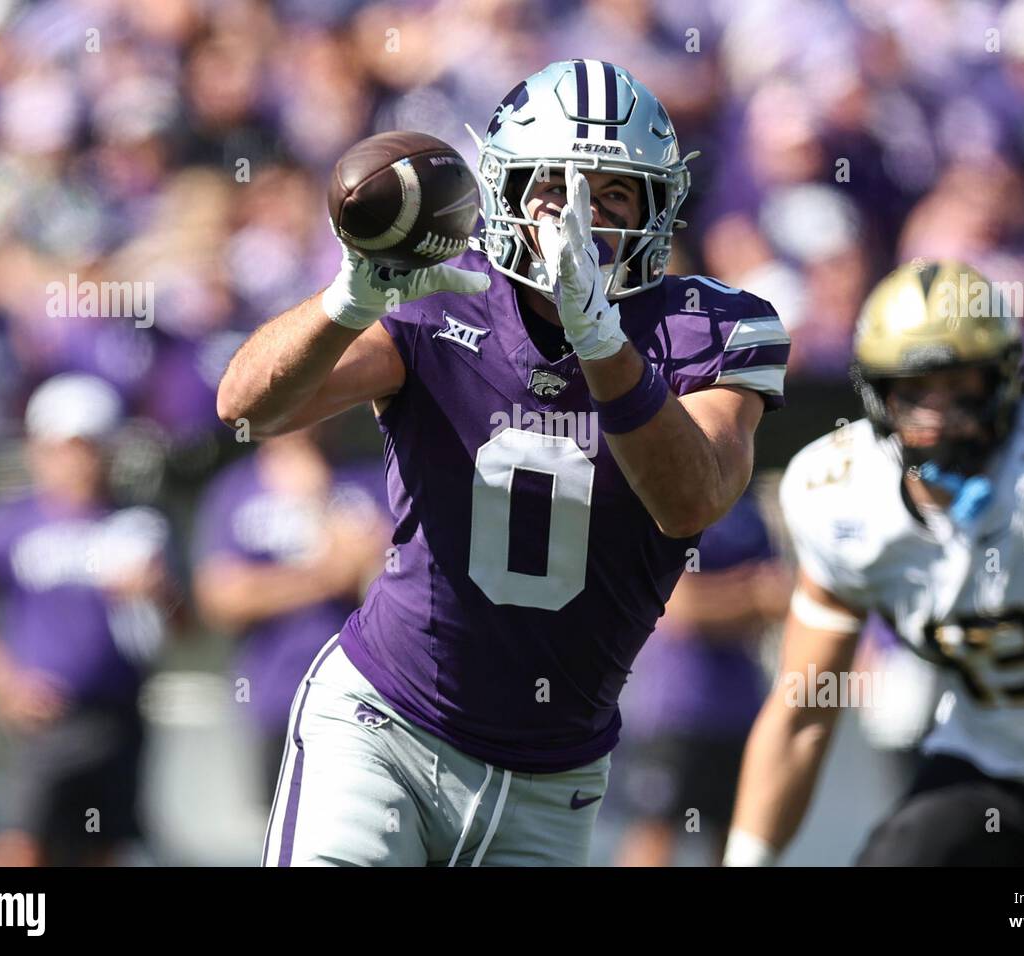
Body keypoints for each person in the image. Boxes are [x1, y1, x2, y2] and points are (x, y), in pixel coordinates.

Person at [217, 59, 790, 866]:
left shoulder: (710, 328)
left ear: (658, 211)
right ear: (508, 193)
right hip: (385, 717)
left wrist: (603, 342)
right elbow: (249, 407)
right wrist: (345, 302)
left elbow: (690, 498)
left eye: (613, 193)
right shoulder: (441, 292)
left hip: (553, 775)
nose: (579, 214)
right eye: (555, 186)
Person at [725, 259, 1024, 867]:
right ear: (877, 393)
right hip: (999, 773)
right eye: (914, 391)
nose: (938, 415)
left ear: (1003, 381)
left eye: (960, 388)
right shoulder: (838, 497)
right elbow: (803, 710)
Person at [0, 373, 182, 866]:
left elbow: (187, 626)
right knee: (22, 849)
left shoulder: (140, 525)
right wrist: (0, 681)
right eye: (65, 447)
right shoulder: (13, 521)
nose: (77, 460)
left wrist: (161, 594)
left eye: (88, 446)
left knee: (105, 849)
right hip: (49, 725)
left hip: (120, 719)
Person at [192, 429, 389, 795]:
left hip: (365, 701)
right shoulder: (236, 487)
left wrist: (318, 497)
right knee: (284, 838)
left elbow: (383, 582)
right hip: (276, 698)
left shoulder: (371, 478)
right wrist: (330, 575)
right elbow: (222, 601)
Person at [610, 491, 790, 866]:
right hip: (675, 711)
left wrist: (738, 599)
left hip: (743, 711)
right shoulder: (672, 499)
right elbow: (681, 609)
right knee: (656, 833)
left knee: (736, 839)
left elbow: (780, 597)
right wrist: (750, 596)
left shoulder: (749, 511)